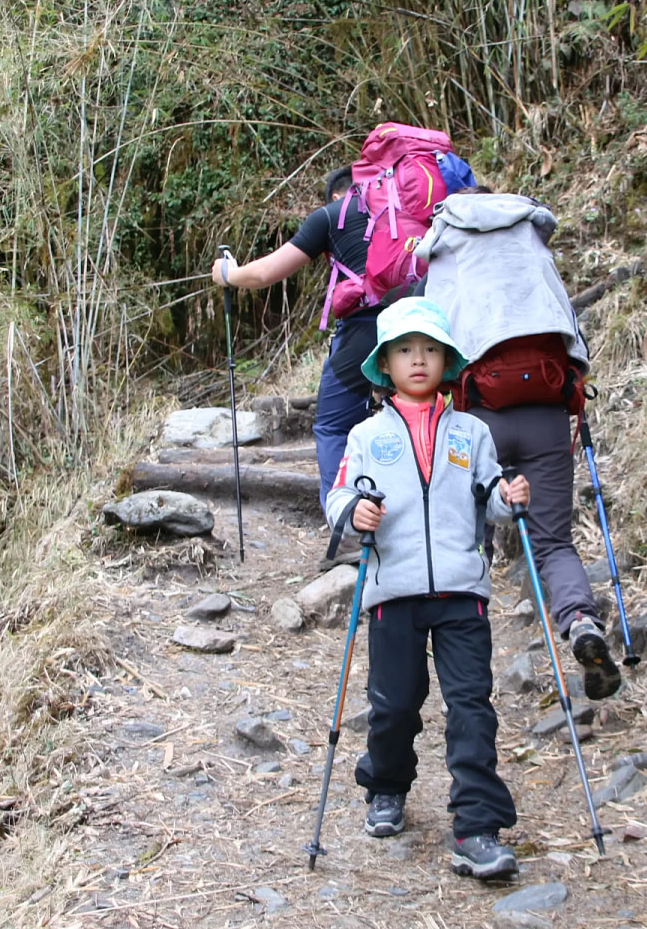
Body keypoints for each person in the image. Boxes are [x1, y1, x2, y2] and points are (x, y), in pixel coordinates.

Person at [324, 297, 529, 880]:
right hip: (394, 590)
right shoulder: (365, 435)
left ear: (447, 361)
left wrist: (509, 497)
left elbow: (491, 499)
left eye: (431, 350)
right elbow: (339, 497)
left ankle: (477, 827)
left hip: (463, 591)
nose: (419, 360)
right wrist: (354, 512)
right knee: (393, 706)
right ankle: (386, 786)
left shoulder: (472, 432)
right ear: (385, 364)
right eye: (406, 350)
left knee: (471, 706)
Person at [415, 188, 621, 701]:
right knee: (553, 542)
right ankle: (581, 621)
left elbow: (431, 336)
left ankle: (466, 654)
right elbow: (568, 329)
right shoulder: (531, 238)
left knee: (471, 539)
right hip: (545, 412)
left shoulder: (445, 244)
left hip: (477, 416)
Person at [212, 167, 379, 506]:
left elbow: (264, 273)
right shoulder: (405, 211)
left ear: (337, 196)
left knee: (334, 427)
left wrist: (228, 273)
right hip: (425, 326)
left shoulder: (332, 215)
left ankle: (345, 523)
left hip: (364, 330)